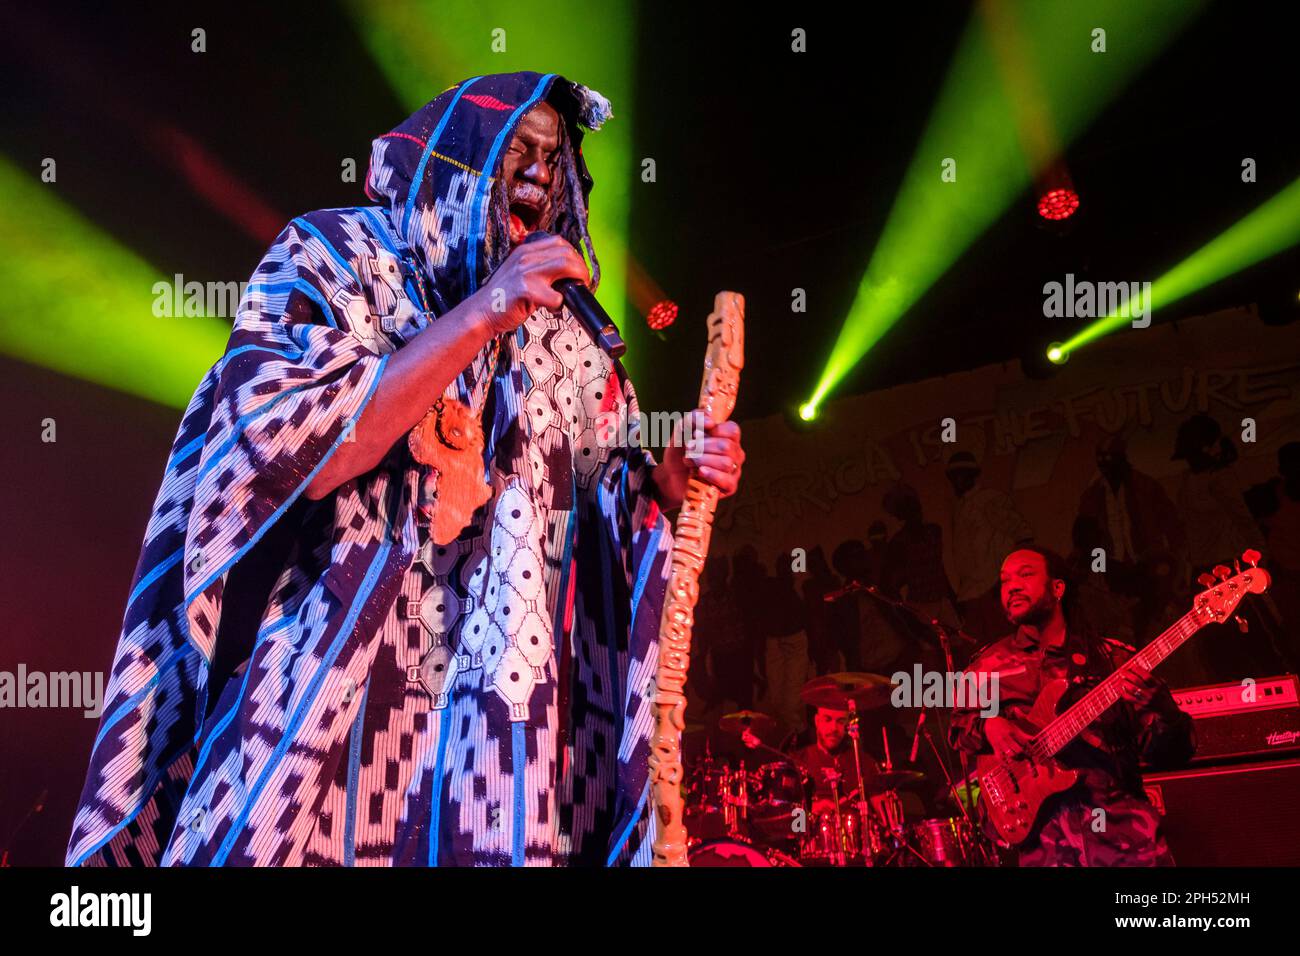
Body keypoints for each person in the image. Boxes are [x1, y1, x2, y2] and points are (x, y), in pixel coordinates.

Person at [66, 72, 746, 868]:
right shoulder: (338, 255)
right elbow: (299, 452)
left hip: (506, 751)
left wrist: (663, 483)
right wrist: (488, 308)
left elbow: (602, 523)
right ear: (457, 161)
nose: (539, 173)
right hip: (335, 714)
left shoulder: (571, 337)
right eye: (517, 149)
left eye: (555, 160)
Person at [949, 547, 1194, 866]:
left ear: (1057, 588)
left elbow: (1171, 755)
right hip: (1044, 847)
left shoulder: (1110, 659)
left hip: (1126, 839)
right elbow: (958, 731)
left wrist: (1166, 712)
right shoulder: (986, 667)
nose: (1012, 586)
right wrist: (989, 726)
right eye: (1005, 580)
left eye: (1025, 574)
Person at [946, 451, 1033, 645]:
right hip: (971, 593)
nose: (957, 480)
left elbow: (1023, 536)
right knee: (981, 653)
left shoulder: (990, 499)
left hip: (992, 590)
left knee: (1007, 646)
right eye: (953, 476)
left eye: (962, 474)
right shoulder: (959, 507)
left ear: (973, 474)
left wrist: (1005, 581)